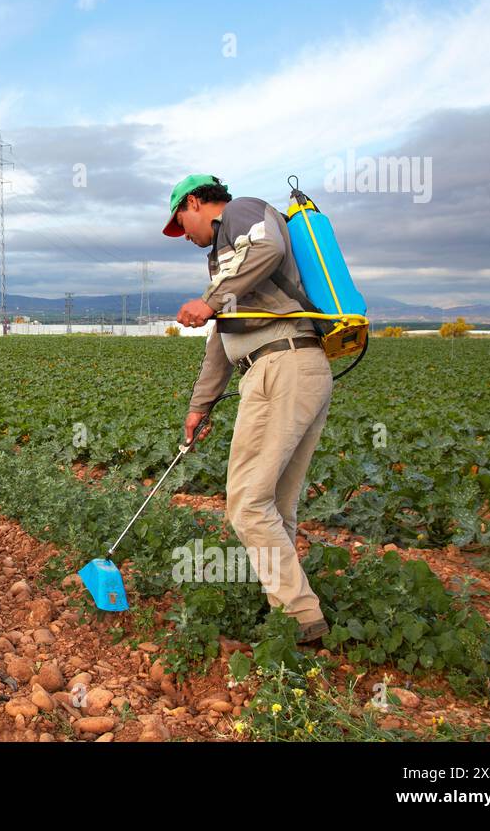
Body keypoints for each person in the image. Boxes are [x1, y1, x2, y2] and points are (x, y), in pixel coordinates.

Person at [163, 173, 332, 644]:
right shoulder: (225, 262)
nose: (186, 237)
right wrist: (201, 406)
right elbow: (222, 338)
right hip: (296, 366)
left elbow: (270, 250)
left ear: (195, 203)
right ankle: (291, 617)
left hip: (281, 365)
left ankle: (299, 619)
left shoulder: (241, 212)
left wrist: (210, 299)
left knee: (246, 504)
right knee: (274, 504)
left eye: (181, 222)